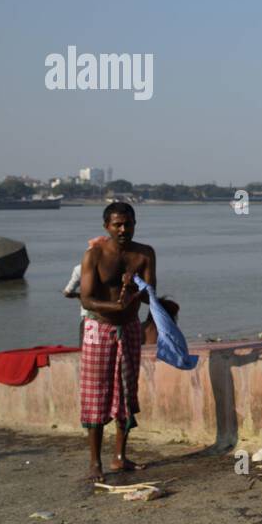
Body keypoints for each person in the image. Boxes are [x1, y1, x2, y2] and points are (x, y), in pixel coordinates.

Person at [79, 202, 155, 481]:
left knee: (126, 392)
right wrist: (116, 308)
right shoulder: (94, 255)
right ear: (106, 227)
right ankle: (94, 462)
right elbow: (86, 298)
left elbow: (150, 294)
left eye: (128, 224)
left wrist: (135, 288)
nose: (124, 229)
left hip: (130, 329)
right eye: (118, 225)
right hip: (99, 330)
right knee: (95, 395)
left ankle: (120, 457)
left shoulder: (144, 254)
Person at [63, 236, 107, 343]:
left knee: (87, 352)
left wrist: (79, 296)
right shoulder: (113, 267)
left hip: (90, 317)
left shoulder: (79, 269)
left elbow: (67, 292)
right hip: (112, 316)